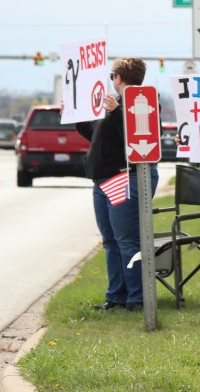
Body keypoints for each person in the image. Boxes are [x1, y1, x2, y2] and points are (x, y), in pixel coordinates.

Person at [76, 58, 159, 311]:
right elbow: (96, 134)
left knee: (127, 240)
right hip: (103, 178)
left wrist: (116, 112)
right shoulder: (112, 105)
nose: (112, 80)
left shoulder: (140, 99)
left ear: (120, 77)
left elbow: (140, 134)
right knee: (110, 240)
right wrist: (77, 116)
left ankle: (136, 298)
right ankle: (116, 296)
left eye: (113, 75)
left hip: (125, 177)